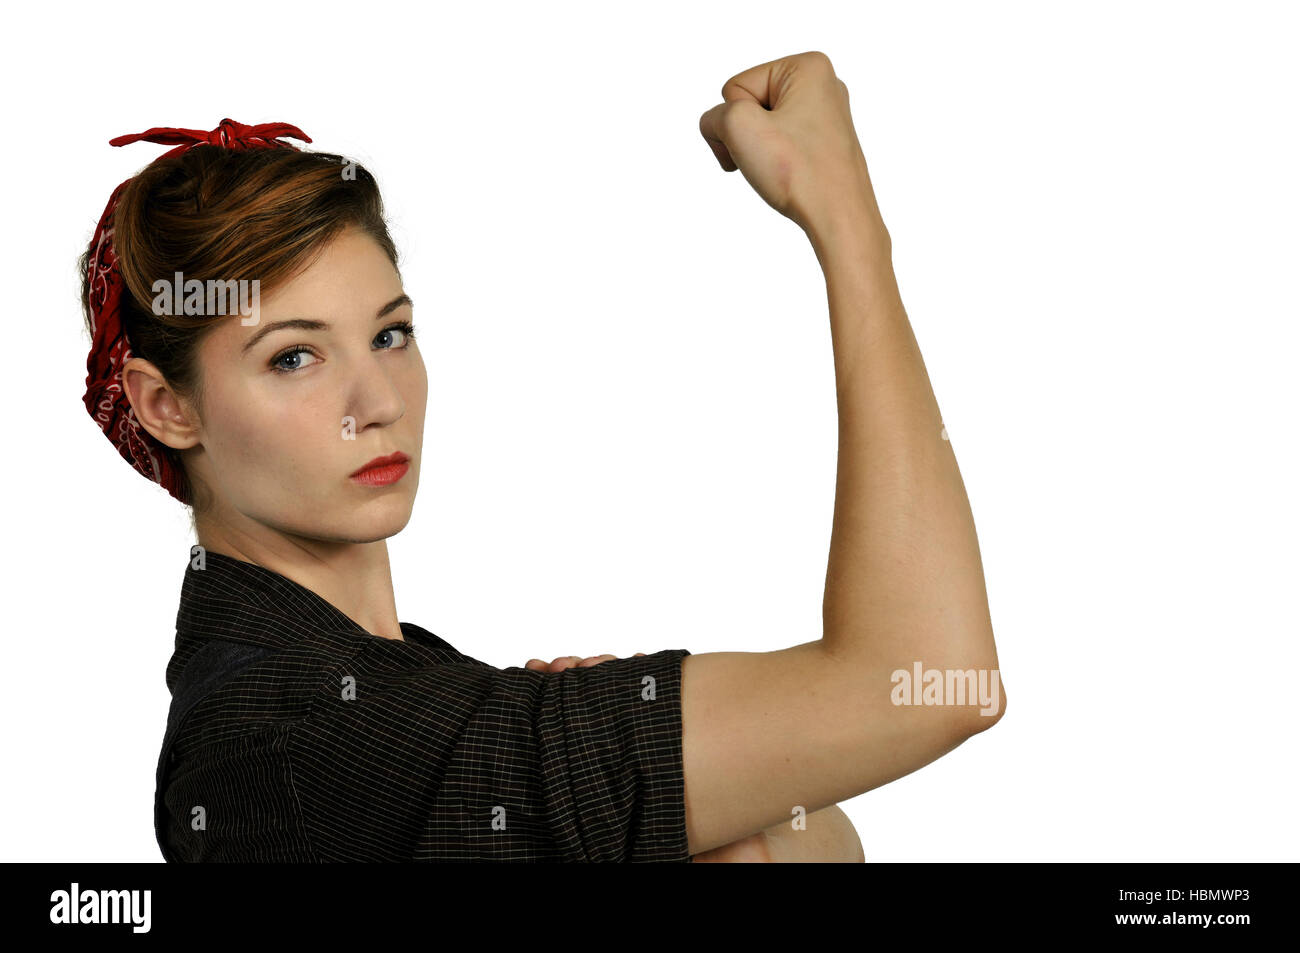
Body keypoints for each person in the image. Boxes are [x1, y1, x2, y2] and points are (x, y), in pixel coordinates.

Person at [79, 50, 1002, 863]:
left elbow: (824, 825)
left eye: (391, 335)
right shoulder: (301, 738)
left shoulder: (418, 695)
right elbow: (920, 684)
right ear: (167, 405)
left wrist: (740, 824)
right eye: (293, 356)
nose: (380, 402)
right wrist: (845, 220)